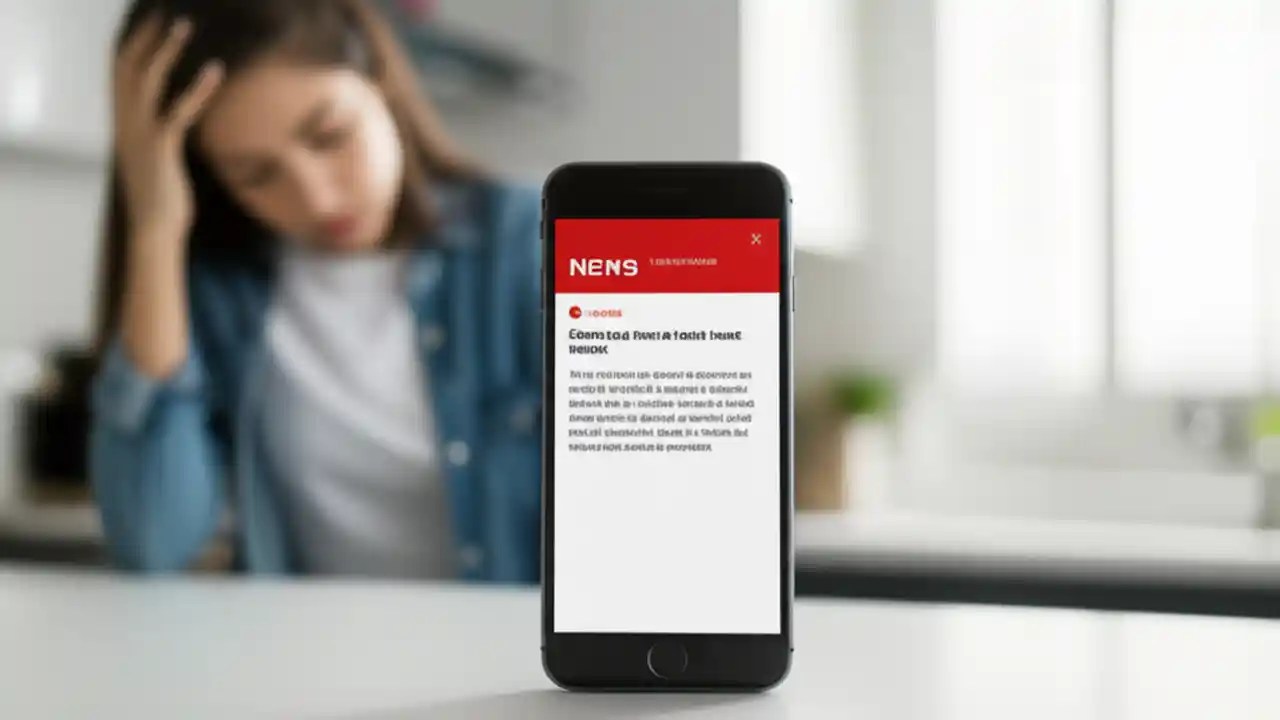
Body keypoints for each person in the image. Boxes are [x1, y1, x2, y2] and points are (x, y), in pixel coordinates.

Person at [91, 0, 542, 581]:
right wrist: (154, 228)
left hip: (510, 663)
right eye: (254, 174)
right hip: (303, 660)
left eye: (330, 136)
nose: (317, 199)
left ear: (379, 79)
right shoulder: (219, 289)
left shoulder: (529, 241)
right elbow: (154, 542)